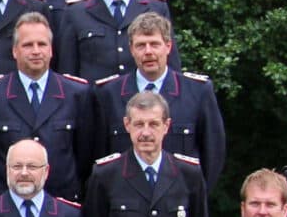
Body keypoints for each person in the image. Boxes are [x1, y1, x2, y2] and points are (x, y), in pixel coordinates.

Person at [81, 92, 210, 217]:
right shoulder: (106, 174)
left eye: (154, 124)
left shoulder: (188, 173)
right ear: (127, 125)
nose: (146, 133)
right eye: (139, 124)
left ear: (166, 126)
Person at [0, 11, 99, 201]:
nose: (36, 51)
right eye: (27, 45)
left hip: (60, 205)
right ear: (15, 51)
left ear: (51, 50)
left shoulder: (77, 93)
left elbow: (84, 157)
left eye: (42, 44)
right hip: (6, 205)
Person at [95, 14, 225, 192]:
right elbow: (99, 154)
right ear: (131, 49)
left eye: (155, 44)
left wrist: (195, 196)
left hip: (180, 200)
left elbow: (213, 154)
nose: (148, 52)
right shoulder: (109, 93)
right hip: (124, 202)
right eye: (141, 45)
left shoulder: (198, 91)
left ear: (168, 46)